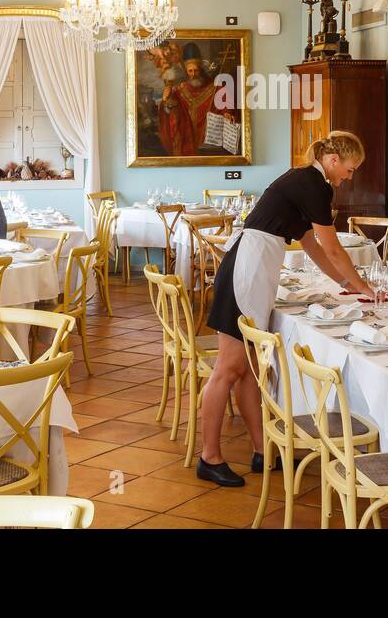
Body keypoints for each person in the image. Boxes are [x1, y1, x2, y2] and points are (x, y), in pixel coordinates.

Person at [196, 130, 376, 487]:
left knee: (248, 369)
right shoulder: (314, 184)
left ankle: (263, 451)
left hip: (255, 268)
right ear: (333, 160)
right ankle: (209, 457)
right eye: (350, 169)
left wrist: (345, 285)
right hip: (246, 270)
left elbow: (312, 247)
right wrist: (364, 289)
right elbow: (334, 248)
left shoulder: (305, 180)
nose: (349, 177)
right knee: (228, 369)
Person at [157, 42, 229, 156]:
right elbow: (168, 111)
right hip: (186, 141)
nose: (193, 74)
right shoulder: (179, 90)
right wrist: (166, 101)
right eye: (190, 71)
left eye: (196, 70)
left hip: (209, 144)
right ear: (186, 71)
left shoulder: (215, 88)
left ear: (200, 69)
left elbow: (226, 107)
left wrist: (227, 113)